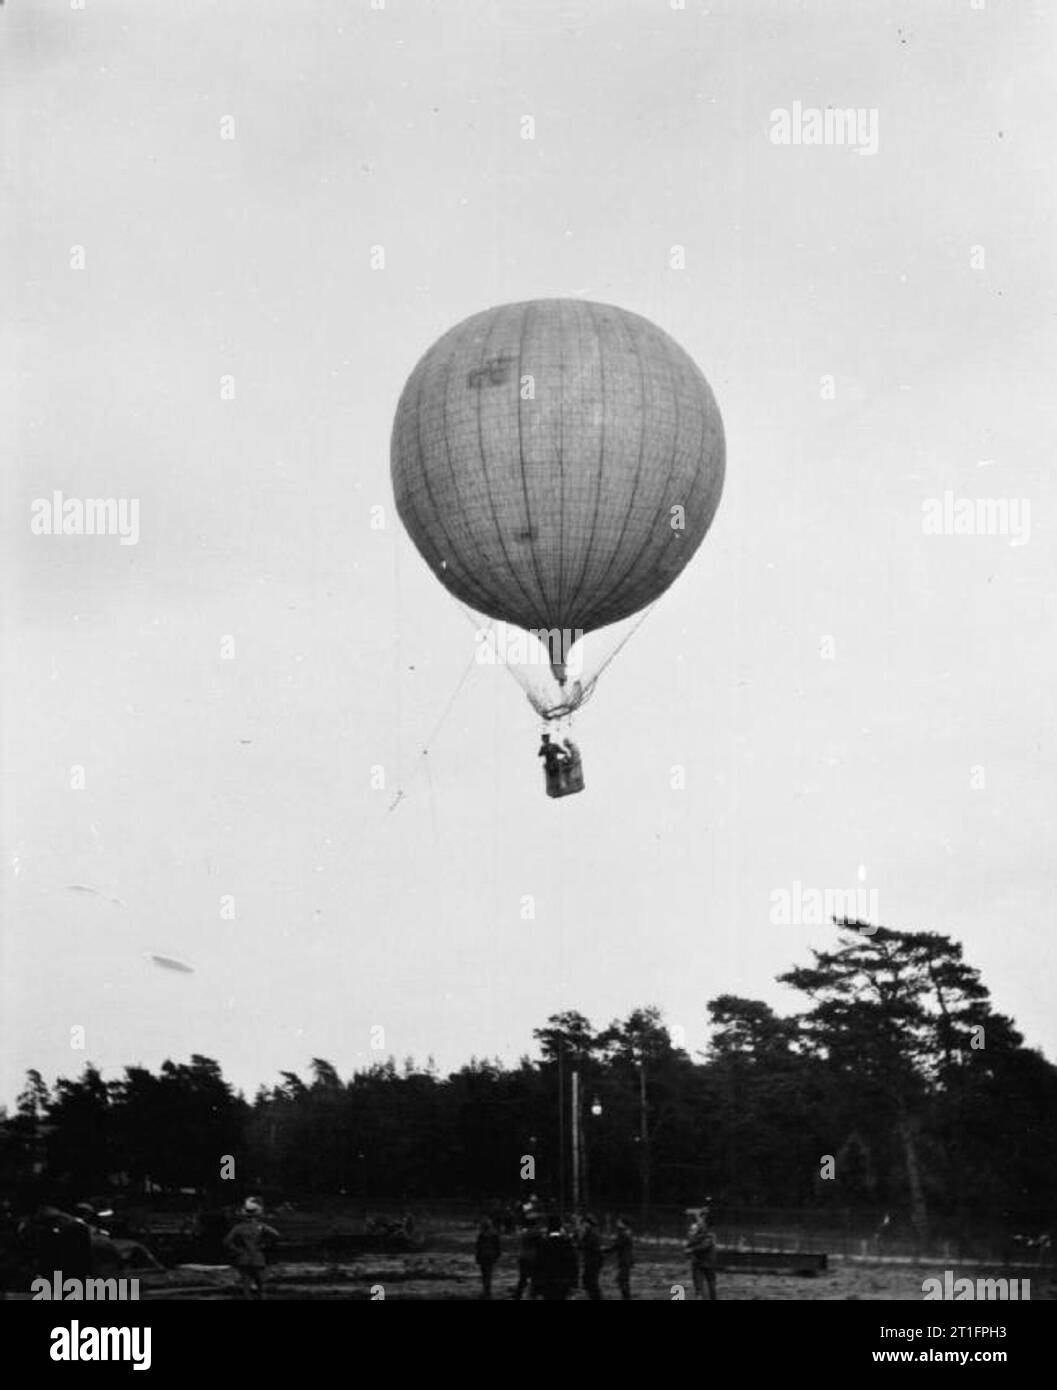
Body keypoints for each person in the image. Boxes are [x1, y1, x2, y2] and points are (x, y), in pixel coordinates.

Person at [223, 1198, 279, 1299]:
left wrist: (237, 1250)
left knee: (246, 1285)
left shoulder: (239, 1227)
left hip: (244, 1257)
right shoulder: (261, 1226)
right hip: (258, 1257)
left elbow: (227, 1241)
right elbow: (276, 1235)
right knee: (261, 1286)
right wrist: (265, 1245)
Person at [532, 1214, 579, 1301]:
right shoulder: (566, 1243)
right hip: (563, 1281)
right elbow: (573, 1264)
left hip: (547, 1282)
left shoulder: (542, 1244)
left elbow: (537, 1265)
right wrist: (574, 1283)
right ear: (560, 1227)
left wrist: (535, 1288)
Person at [686, 1208, 717, 1300]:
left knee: (707, 1285)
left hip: (705, 1262)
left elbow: (704, 1245)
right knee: (704, 1285)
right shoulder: (700, 1230)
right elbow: (691, 1241)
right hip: (702, 1262)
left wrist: (691, 1249)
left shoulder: (709, 1234)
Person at [512, 1216, 540, 1299]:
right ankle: (533, 1294)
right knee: (535, 1278)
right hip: (533, 1257)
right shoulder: (536, 1233)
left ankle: (518, 1294)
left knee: (523, 1278)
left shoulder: (523, 1233)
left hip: (523, 1257)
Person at [474, 1216, 501, 1299]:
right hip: (491, 1256)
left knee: (485, 1275)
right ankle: (487, 1291)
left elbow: (478, 1247)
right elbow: (498, 1247)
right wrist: (497, 1255)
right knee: (488, 1274)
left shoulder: (481, 1235)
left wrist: (477, 1257)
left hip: (483, 1256)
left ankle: (486, 1291)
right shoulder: (494, 1235)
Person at [580, 1214, 603, 1300]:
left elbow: (587, 1245)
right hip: (592, 1260)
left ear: (588, 1223)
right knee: (588, 1282)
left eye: (584, 1223)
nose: (582, 1225)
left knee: (591, 1282)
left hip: (593, 1261)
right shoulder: (590, 1232)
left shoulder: (592, 1233)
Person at [611, 1217, 634, 1300]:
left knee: (623, 1281)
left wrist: (605, 1250)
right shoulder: (626, 1233)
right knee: (623, 1281)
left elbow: (617, 1245)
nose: (617, 1223)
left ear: (623, 1224)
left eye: (619, 1222)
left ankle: (626, 1298)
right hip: (626, 1260)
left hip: (624, 1260)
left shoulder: (624, 1234)